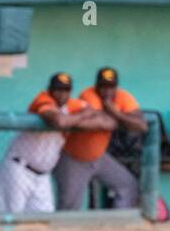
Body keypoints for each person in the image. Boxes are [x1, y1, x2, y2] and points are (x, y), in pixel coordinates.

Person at [0, 72, 114, 215]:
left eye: (66, 90)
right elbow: (60, 121)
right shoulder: (43, 99)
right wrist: (82, 116)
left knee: (44, 222)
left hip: (42, 176)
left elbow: (106, 121)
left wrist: (75, 118)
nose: (62, 94)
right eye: (58, 90)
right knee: (11, 222)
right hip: (19, 169)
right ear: (50, 90)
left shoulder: (71, 105)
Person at [55, 67, 144, 211]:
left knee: (128, 186)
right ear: (96, 85)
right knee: (69, 206)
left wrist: (113, 111)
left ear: (116, 87)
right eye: (103, 87)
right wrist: (122, 119)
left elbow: (141, 125)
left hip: (99, 157)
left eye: (111, 87)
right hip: (74, 158)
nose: (107, 91)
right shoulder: (88, 95)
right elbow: (101, 123)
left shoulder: (122, 96)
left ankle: (117, 226)